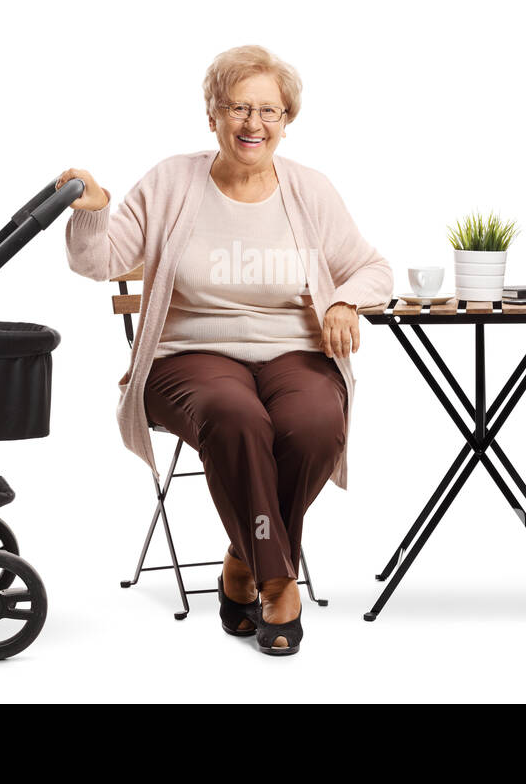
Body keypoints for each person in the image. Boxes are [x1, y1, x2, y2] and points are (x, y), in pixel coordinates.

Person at [58, 45, 391, 655]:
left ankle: (243, 559)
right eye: (239, 107)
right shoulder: (171, 182)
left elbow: (371, 267)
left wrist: (343, 302)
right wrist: (94, 212)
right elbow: (100, 261)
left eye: (269, 110)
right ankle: (277, 581)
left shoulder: (309, 191)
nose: (253, 124)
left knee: (317, 422)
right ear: (212, 114)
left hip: (294, 354)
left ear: (288, 119)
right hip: (187, 358)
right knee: (237, 418)